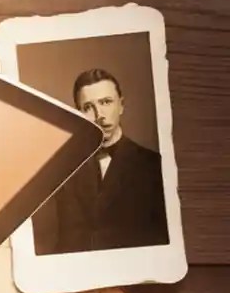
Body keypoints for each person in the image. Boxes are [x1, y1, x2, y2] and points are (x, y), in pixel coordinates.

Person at [33, 68, 169, 255]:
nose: (99, 115)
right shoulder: (64, 168)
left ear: (121, 105)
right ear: (78, 113)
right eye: (88, 107)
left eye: (106, 102)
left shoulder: (154, 166)